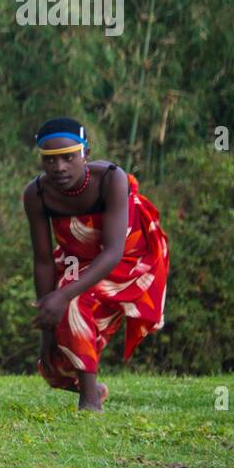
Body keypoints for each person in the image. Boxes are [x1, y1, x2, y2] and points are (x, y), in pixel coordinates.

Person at [22, 118, 169, 411]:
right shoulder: (36, 194)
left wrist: (62, 296)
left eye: (69, 157)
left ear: (85, 154)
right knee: (53, 363)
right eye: (50, 159)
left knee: (74, 299)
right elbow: (42, 260)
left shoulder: (111, 179)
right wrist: (47, 325)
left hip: (128, 259)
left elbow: (113, 252)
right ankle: (93, 388)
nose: (59, 167)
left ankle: (89, 401)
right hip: (76, 261)